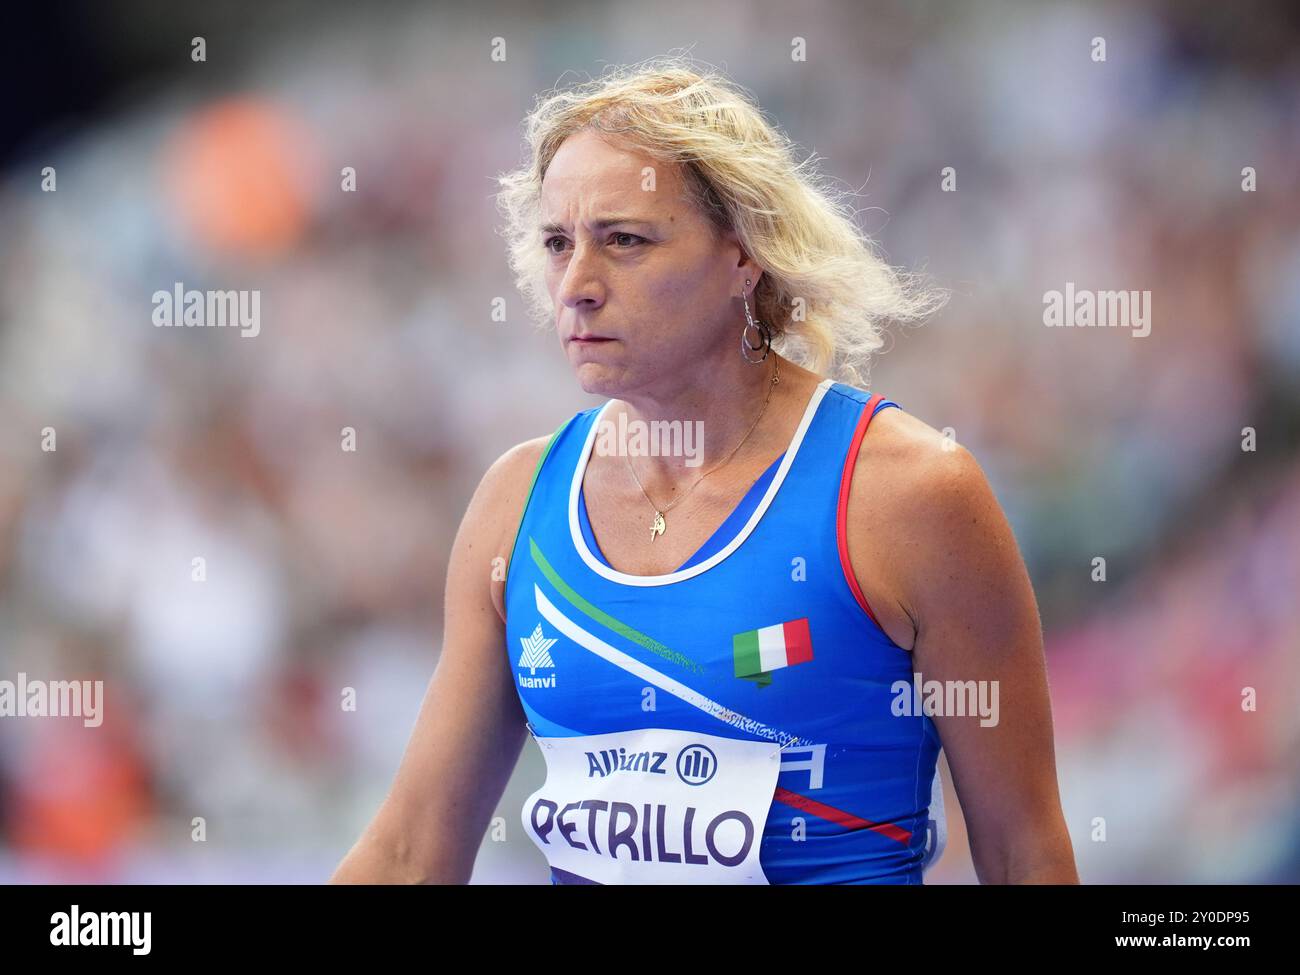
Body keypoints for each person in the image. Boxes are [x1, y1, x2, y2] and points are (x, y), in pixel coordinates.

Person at [330, 58, 1078, 885]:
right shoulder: (517, 503)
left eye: (624, 240)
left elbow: (1025, 853)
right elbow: (409, 852)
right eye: (557, 243)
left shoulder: (908, 495)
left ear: (744, 254)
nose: (576, 286)